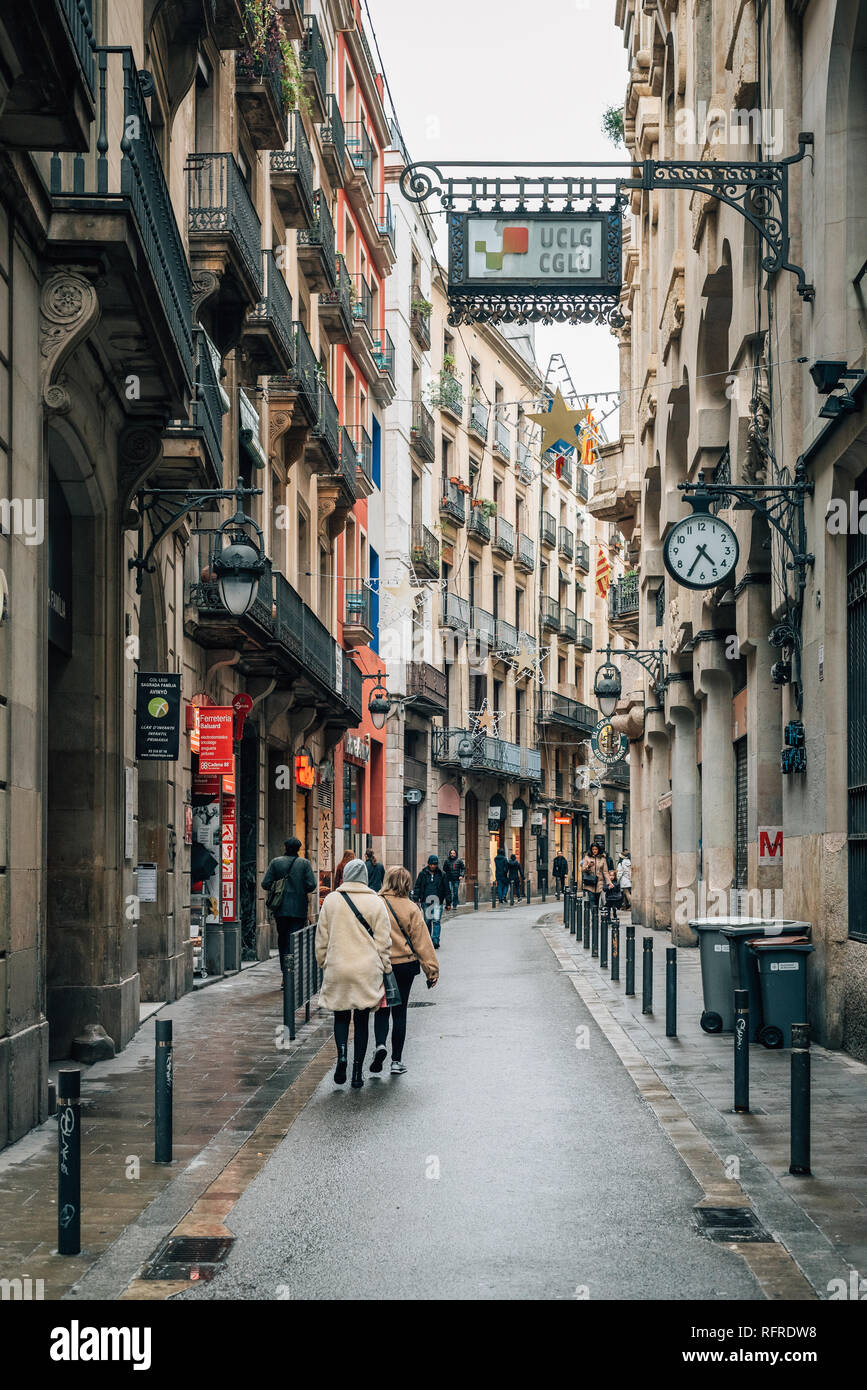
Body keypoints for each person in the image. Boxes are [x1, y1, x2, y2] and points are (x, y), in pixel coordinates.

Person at [315, 858, 392, 1090]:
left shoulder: (331, 900)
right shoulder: (376, 902)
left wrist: (323, 962)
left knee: (340, 1016)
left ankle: (341, 1058)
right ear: (366, 877)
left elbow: (322, 938)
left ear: (346, 875)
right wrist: (385, 967)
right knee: (361, 1021)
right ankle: (357, 1072)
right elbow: (383, 941)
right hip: (366, 970)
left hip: (338, 967)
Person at [370, 866, 439, 1075]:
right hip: (405, 965)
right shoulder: (411, 908)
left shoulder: (377, 904)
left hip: (381, 963)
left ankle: (380, 1044)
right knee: (400, 1012)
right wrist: (431, 970)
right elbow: (422, 942)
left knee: (382, 1007)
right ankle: (396, 1061)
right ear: (407, 883)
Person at [261, 837, 317, 972]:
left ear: (285, 847)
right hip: (299, 909)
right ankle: (293, 971)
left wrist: (278, 886)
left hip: (280, 909)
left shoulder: (276, 863)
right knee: (296, 940)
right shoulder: (304, 864)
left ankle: (285, 973)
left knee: (283, 940)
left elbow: (265, 884)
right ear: (298, 849)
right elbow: (311, 885)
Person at [412, 853, 448, 948]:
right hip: (426, 901)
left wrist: (448, 902)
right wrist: (416, 899)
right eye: (431, 864)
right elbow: (417, 887)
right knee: (427, 921)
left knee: (436, 921)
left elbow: (446, 888)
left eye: (434, 864)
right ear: (428, 864)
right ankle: (428, 940)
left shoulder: (442, 874)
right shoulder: (423, 874)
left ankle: (435, 940)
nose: (433, 866)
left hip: (437, 901)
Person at [579, 841, 614, 913]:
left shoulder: (602, 859)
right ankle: (593, 915)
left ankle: (596, 915)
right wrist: (588, 866)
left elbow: (605, 872)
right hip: (590, 882)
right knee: (591, 899)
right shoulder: (587, 857)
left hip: (599, 883)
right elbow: (583, 870)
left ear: (598, 850)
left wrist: (609, 882)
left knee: (597, 901)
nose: (594, 851)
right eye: (593, 849)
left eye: (596, 849)